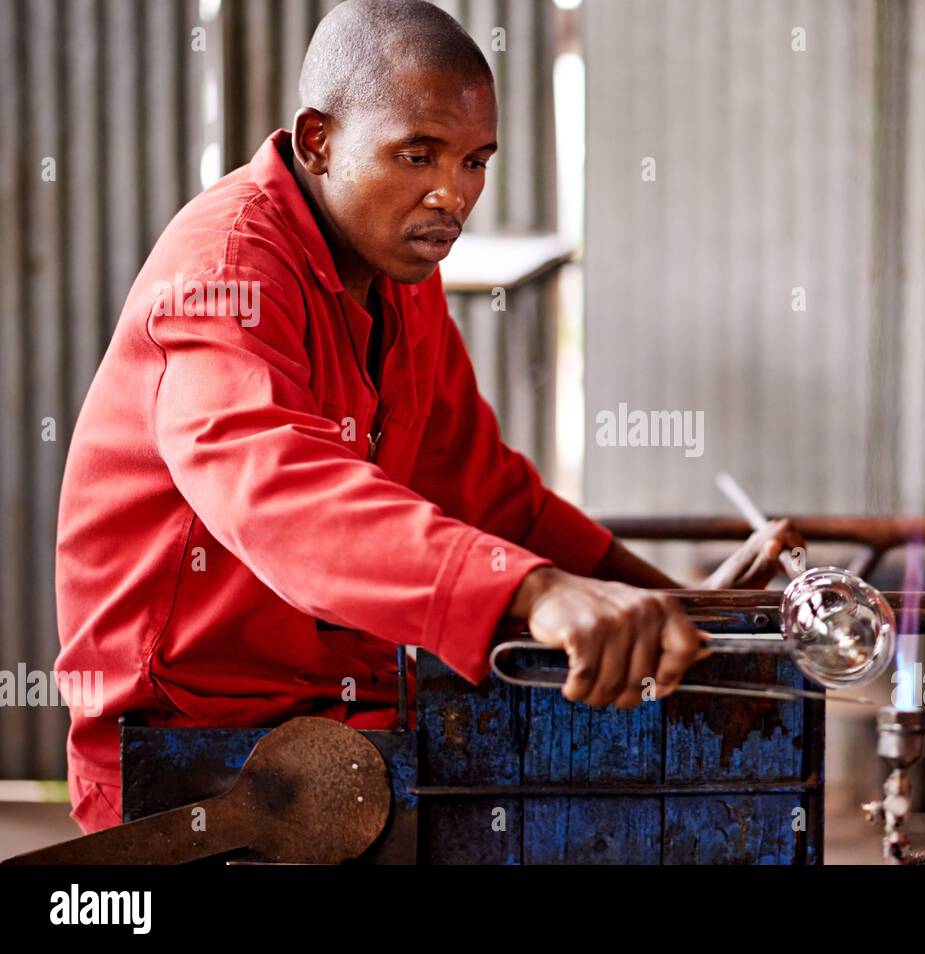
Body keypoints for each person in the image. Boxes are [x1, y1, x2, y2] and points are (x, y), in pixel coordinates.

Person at [53, 0, 801, 834]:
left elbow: (488, 496)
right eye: (418, 154)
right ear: (317, 141)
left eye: (476, 160)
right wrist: (534, 589)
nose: (454, 194)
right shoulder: (224, 277)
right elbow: (279, 494)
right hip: (191, 744)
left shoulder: (401, 277)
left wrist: (684, 617)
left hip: (344, 718)